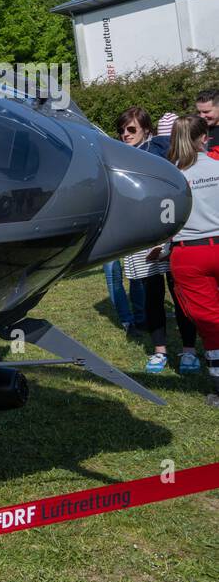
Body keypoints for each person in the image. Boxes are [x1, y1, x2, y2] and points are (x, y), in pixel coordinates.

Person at [117, 107, 201, 373]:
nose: (125, 134)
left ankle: (189, 351)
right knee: (152, 296)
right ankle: (159, 351)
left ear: (146, 130)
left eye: (131, 129)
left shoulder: (159, 153)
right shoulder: (123, 157)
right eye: (121, 130)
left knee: (180, 295)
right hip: (142, 237)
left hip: (169, 236)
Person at [166, 114, 219, 403]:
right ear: (203, 138)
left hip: (189, 253)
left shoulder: (169, 176)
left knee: (211, 323)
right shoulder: (218, 166)